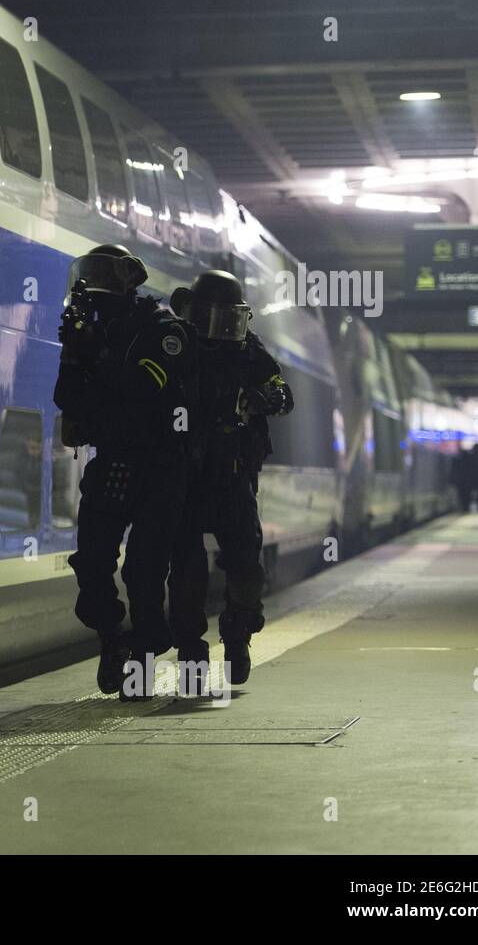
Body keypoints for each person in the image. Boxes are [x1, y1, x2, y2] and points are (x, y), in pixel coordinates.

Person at [54, 244, 197, 698]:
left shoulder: (161, 330)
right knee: (92, 561)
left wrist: (95, 356)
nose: (93, 286)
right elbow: (66, 397)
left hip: (159, 466)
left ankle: (144, 657)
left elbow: (143, 385)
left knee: (144, 570)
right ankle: (112, 637)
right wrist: (77, 352)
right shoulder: (89, 331)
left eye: (102, 275)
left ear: (126, 279)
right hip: (113, 460)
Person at [166, 270, 293, 691]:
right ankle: (190, 655)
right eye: (209, 316)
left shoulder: (249, 352)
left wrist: (262, 399)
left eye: (227, 318)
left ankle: (237, 637)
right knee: (185, 575)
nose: (217, 327)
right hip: (184, 476)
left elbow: (281, 393)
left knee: (245, 568)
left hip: (232, 478)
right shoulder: (176, 347)